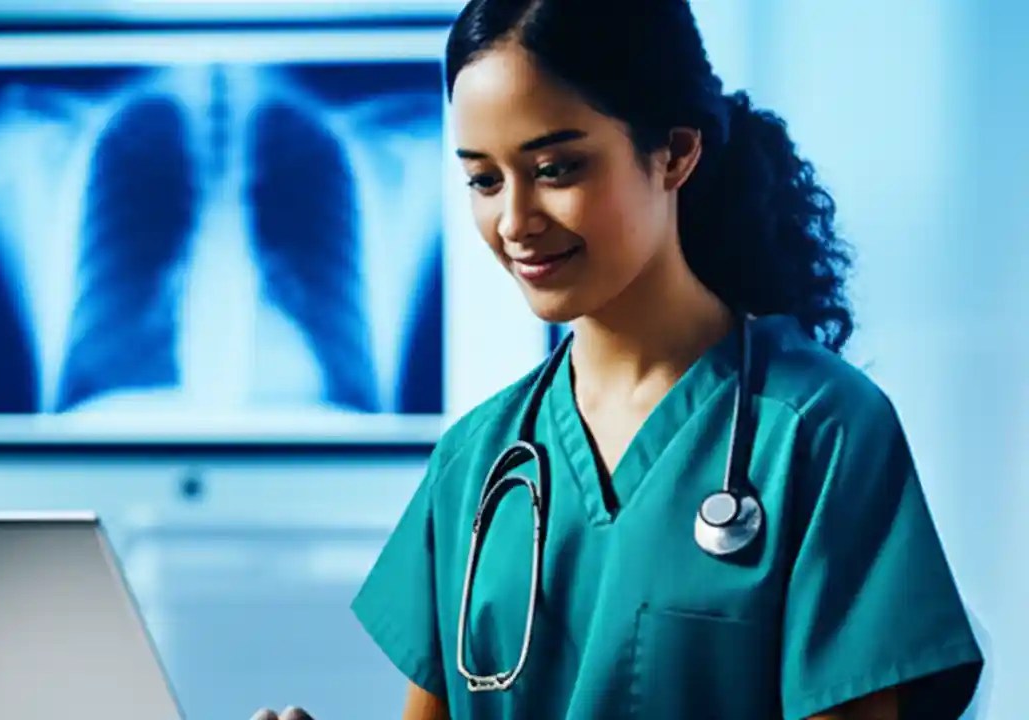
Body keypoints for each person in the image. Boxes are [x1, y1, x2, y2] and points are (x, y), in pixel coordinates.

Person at [255, 0, 985, 717]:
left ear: (676, 152)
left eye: (556, 167)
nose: (514, 222)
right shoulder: (475, 462)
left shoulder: (818, 433)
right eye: (483, 179)